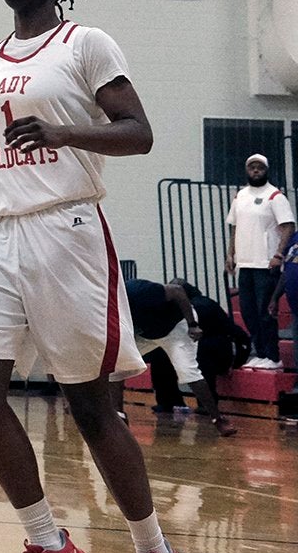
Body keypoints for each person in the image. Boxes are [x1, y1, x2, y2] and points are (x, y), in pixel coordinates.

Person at [0, 0, 187, 553]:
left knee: (89, 408)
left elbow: (137, 131)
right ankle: (46, 543)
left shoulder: (86, 43)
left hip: (66, 229)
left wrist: (66, 131)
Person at [115, 277, 236, 436]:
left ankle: (218, 419)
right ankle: (119, 418)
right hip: (148, 334)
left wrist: (193, 325)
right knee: (116, 365)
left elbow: (177, 291)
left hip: (177, 328)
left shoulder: (138, 290)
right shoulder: (109, 305)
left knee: (187, 371)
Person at [226, 153, 292, 371]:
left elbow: (288, 226)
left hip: (266, 263)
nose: (255, 171)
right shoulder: (240, 196)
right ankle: (260, 352)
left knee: (265, 312)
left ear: (266, 170)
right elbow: (234, 227)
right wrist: (230, 255)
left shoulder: (275, 196)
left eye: (259, 168)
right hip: (245, 262)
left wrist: (279, 254)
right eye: (252, 167)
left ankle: (273, 356)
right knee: (248, 311)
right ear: (246, 170)